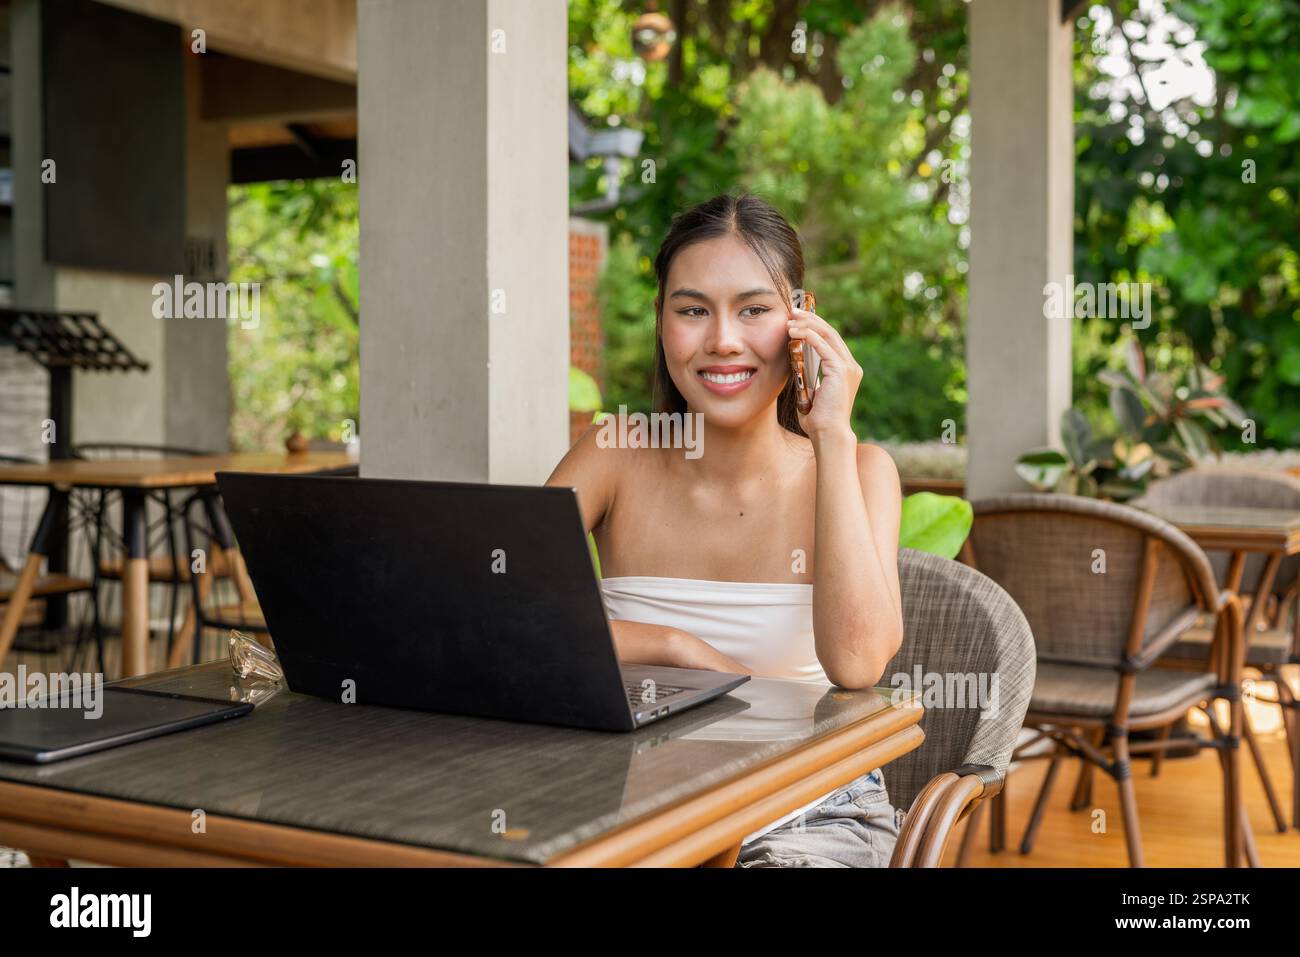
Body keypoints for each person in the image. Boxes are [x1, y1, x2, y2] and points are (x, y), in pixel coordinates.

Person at [545, 192, 904, 867]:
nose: (722, 341)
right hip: (627, 799)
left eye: (754, 309)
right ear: (662, 322)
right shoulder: (614, 449)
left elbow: (858, 663)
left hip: (806, 811)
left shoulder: (860, 467)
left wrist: (830, 433)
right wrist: (677, 646)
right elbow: (500, 611)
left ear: (803, 318)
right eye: (692, 310)